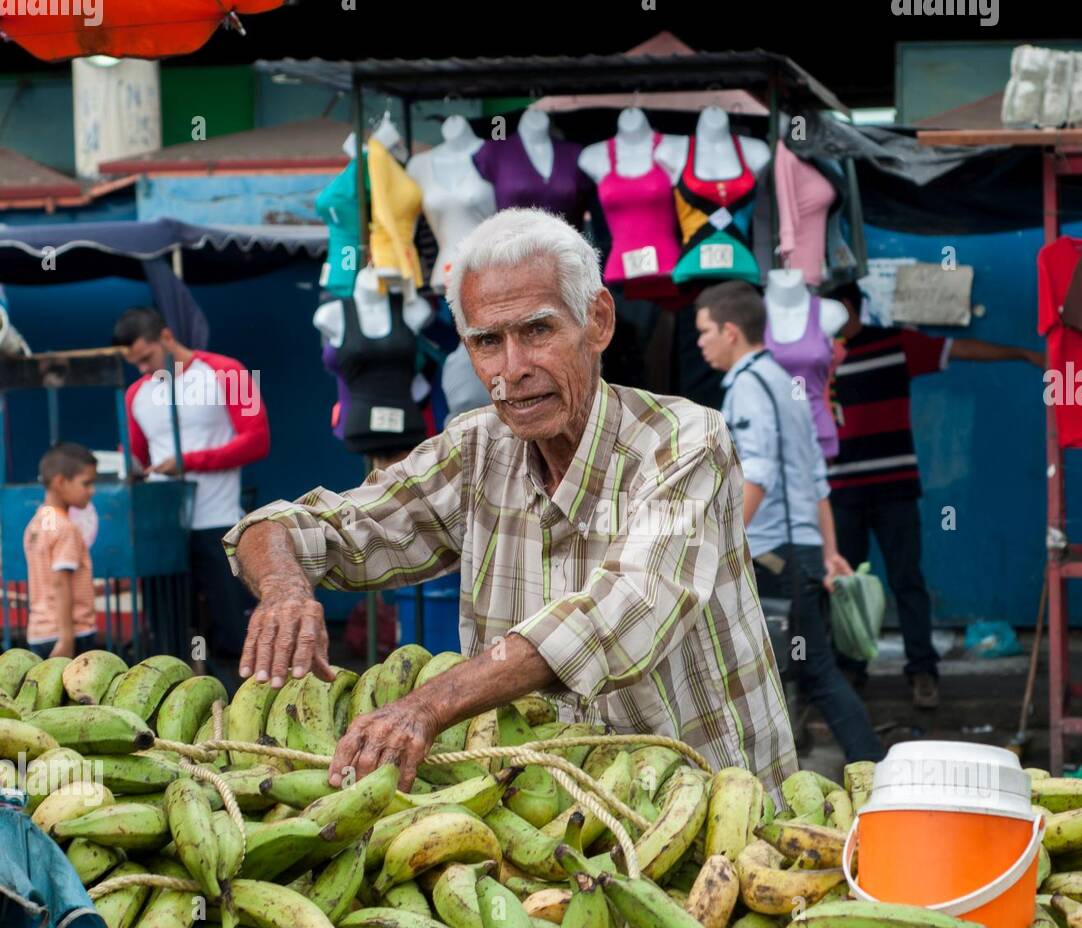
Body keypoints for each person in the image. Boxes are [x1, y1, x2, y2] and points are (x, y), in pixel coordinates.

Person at [222, 208, 796, 796]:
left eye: (538, 331)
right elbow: (318, 527)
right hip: (546, 822)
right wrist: (286, 587)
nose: (512, 370)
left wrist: (428, 705)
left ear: (597, 321)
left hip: (709, 804)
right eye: (487, 342)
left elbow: (626, 612)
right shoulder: (476, 450)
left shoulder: (685, 441)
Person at [825, 285, 1045, 708]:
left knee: (908, 581)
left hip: (894, 487)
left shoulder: (893, 343)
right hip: (841, 492)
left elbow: (960, 348)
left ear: (847, 308)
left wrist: (1023, 354)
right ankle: (850, 672)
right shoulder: (820, 356)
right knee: (845, 587)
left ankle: (922, 671)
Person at [695, 281, 882, 766]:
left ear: (731, 332)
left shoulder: (749, 387)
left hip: (773, 552)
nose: (700, 343)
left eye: (705, 332)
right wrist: (829, 550)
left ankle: (871, 767)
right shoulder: (786, 381)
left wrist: (719, 539)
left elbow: (758, 471)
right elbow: (815, 476)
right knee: (793, 665)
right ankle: (808, 764)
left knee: (803, 667)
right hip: (798, 548)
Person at [113, 308, 269, 687]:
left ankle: (242, 711)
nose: (142, 369)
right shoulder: (137, 392)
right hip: (163, 525)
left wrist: (188, 462)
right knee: (167, 636)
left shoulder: (227, 372)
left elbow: (258, 440)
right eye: (134, 364)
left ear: (166, 337)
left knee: (232, 631)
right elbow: (134, 456)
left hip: (218, 520)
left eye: (146, 358)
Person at [22, 444, 98, 659]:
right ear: (60, 482)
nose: (92, 491)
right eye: (87, 483)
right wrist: (66, 638)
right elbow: (60, 582)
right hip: (70, 632)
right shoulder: (65, 528)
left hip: (39, 632)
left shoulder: (36, 524)